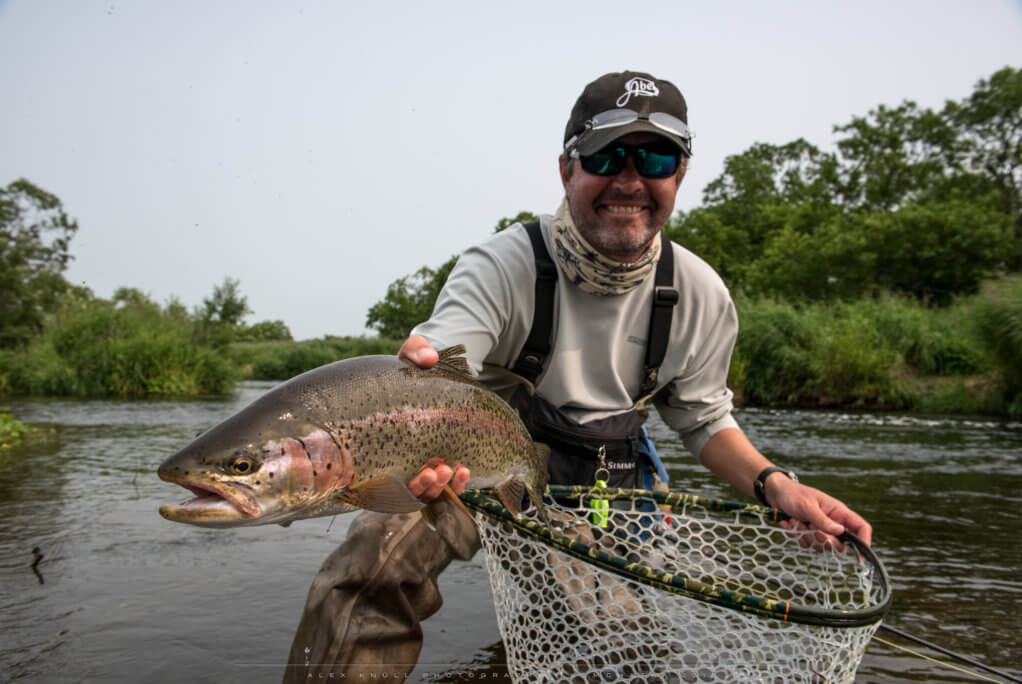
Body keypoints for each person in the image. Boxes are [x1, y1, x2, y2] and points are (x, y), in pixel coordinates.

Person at [284, 70, 872, 682]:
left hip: (601, 487)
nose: (630, 179)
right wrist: (419, 366)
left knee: (621, 649)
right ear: (568, 169)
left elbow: (702, 419)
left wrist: (776, 484)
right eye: (606, 155)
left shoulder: (698, 294)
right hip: (470, 465)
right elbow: (439, 358)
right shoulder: (503, 265)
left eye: (656, 157)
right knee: (368, 570)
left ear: (680, 174)